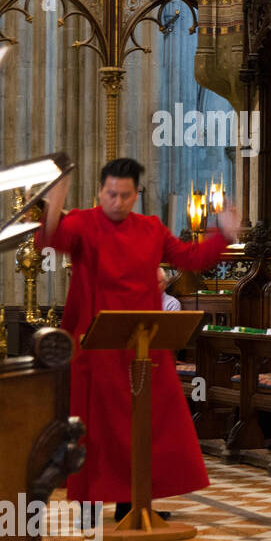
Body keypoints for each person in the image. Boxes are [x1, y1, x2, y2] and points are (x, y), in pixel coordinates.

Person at [37, 158, 239, 522]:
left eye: (125, 195)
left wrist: (222, 234)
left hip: (143, 346)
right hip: (96, 346)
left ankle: (136, 501)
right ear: (100, 191)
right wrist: (53, 205)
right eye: (111, 194)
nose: (117, 202)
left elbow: (190, 258)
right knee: (95, 431)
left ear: (136, 195)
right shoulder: (82, 222)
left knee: (149, 425)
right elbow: (48, 240)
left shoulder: (150, 228)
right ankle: (90, 506)